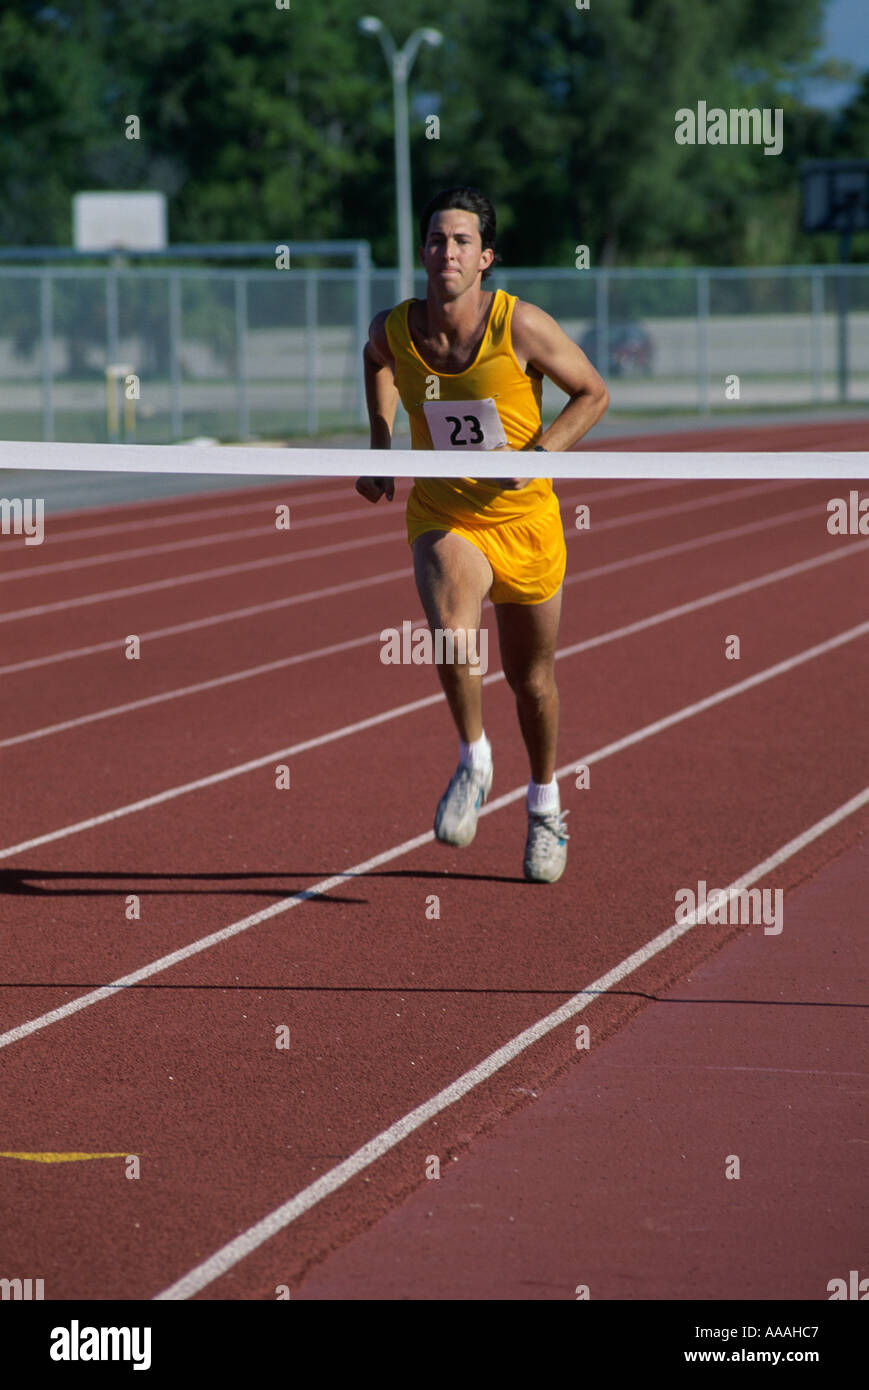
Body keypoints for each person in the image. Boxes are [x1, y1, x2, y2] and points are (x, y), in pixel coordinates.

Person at [357, 186, 609, 883]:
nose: (447, 251)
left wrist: (533, 461)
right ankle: (474, 759)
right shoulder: (398, 327)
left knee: (531, 681)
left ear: (485, 257)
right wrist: (378, 443)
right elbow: (374, 359)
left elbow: (591, 392)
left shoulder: (519, 325)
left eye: (462, 241)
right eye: (437, 239)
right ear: (423, 251)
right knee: (449, 631)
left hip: (524, 522)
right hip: (446, 514)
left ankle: (545, 804)